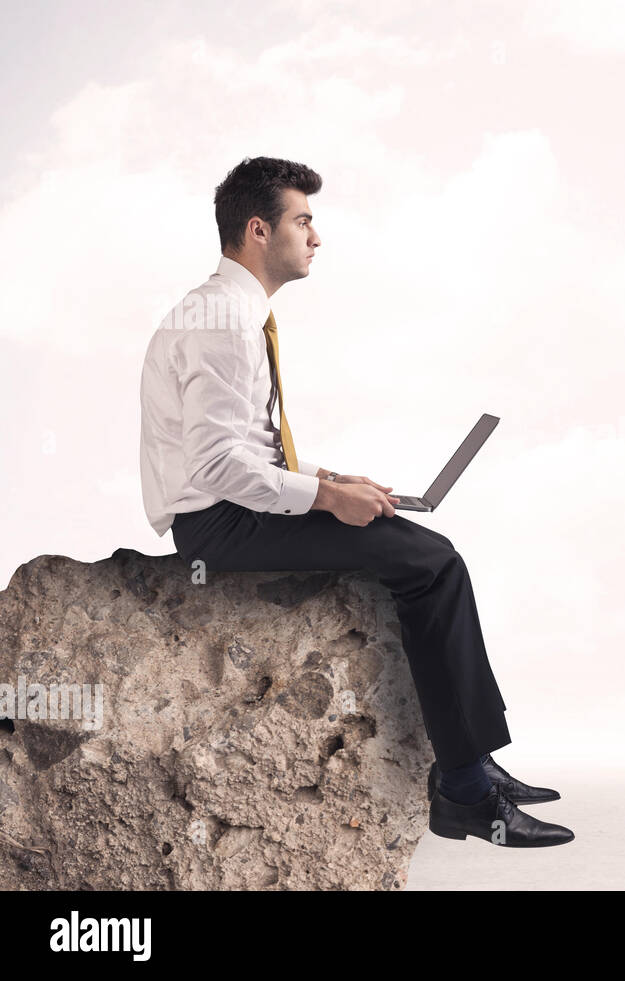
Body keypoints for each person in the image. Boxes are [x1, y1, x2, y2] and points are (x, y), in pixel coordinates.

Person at [138, 156, 573, 848]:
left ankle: (474, 761)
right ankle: (462, 787)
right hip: (216, 526)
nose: (316, 237)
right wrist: (323, 499)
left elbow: (250, 445)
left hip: (229, 507)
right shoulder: (223, 321)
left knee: (422, 548)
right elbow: (219, 466)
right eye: (302, 220)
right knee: (431, 562)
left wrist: (334, 480)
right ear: (258, 230)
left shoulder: (229, 310)